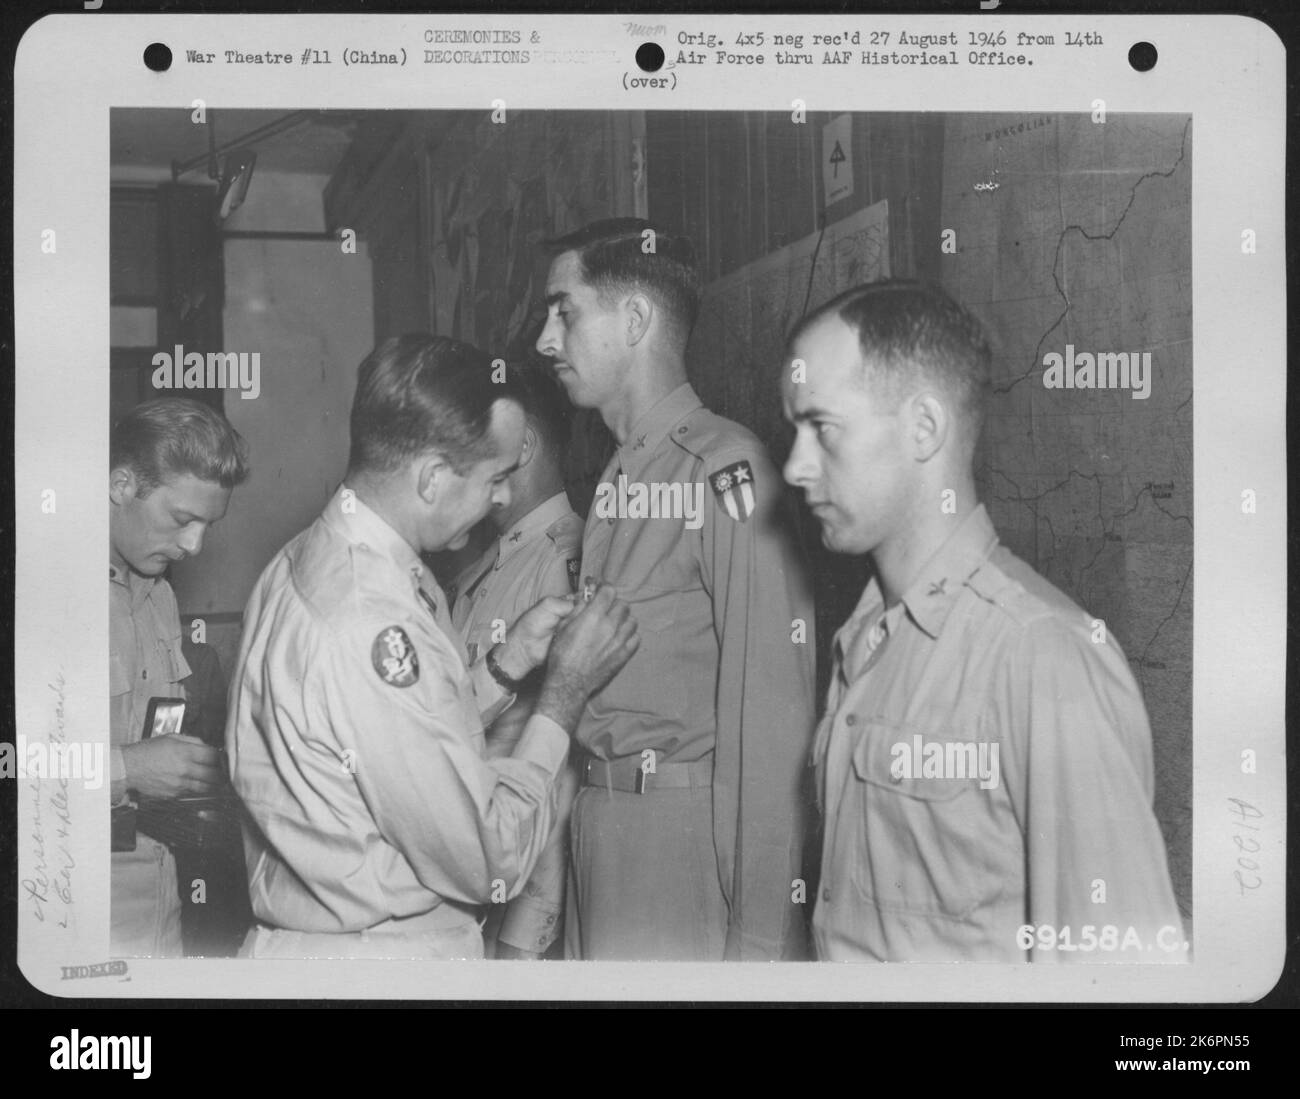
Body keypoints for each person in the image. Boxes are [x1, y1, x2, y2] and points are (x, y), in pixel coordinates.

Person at [780, 279, 1185, 962]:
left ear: (924, 428)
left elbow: (1121, 977)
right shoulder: (869, 636)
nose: (794, 465)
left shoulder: (1042, 655)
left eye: (821, 428)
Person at [226, 334, 637, 959]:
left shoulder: (310, 560)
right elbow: (488, 857)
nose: (502, 498)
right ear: (432, 479)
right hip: (382, 961)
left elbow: (400, 740)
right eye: (494, 478)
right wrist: (563, 694)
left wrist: (510, 662)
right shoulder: (369, 618)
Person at [535, 218, 816, 961]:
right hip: (597, 835)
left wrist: (758, 943)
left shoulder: (725, 470)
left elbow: (773, 728)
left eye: (564, 311)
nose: (545, 339)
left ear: (633, 320)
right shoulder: (618, 478)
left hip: (679, 848)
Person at [450, 361, 583, 959]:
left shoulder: (568, 559)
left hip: (518, 886)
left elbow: (562, 769)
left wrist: (526, 934)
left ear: (522, 443)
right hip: (466, 869)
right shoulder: (482, 565)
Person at [109, 397, 250, 957]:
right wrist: (132, 766)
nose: (194, 546)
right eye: (182, 519)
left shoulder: (159, 594)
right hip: (71, 902)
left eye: (207, 525)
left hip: (157, 889)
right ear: (122, 484)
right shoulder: (43, 593)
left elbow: (159, 730)